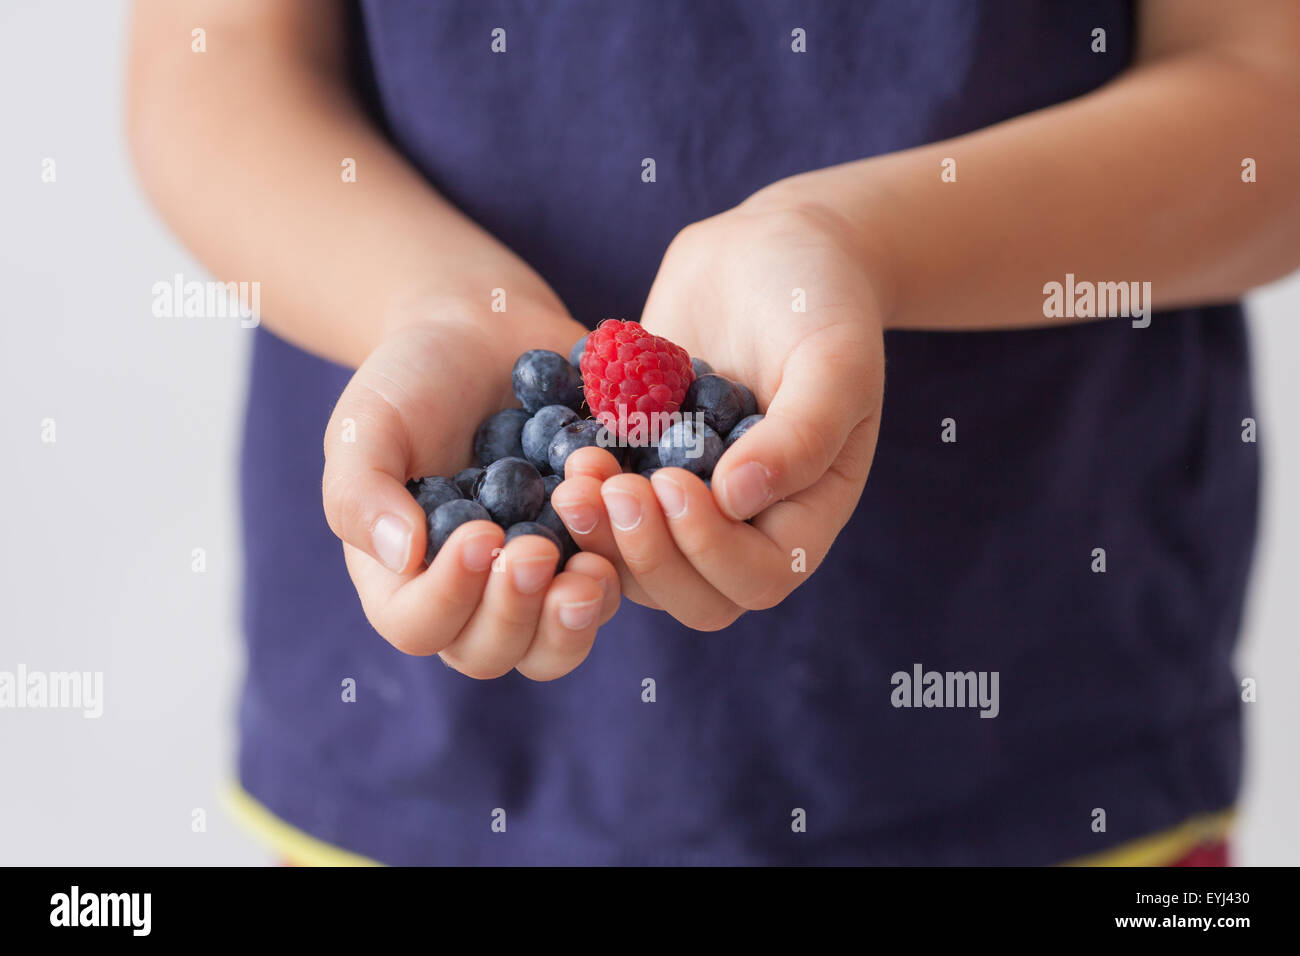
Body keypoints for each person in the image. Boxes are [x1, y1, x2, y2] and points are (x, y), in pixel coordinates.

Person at [127, 0, 1300, 865]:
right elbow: (212, 59)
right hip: (411, 756)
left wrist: (861, 238)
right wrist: (429, 299)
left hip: (1036, 725)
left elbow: (1269, 96)